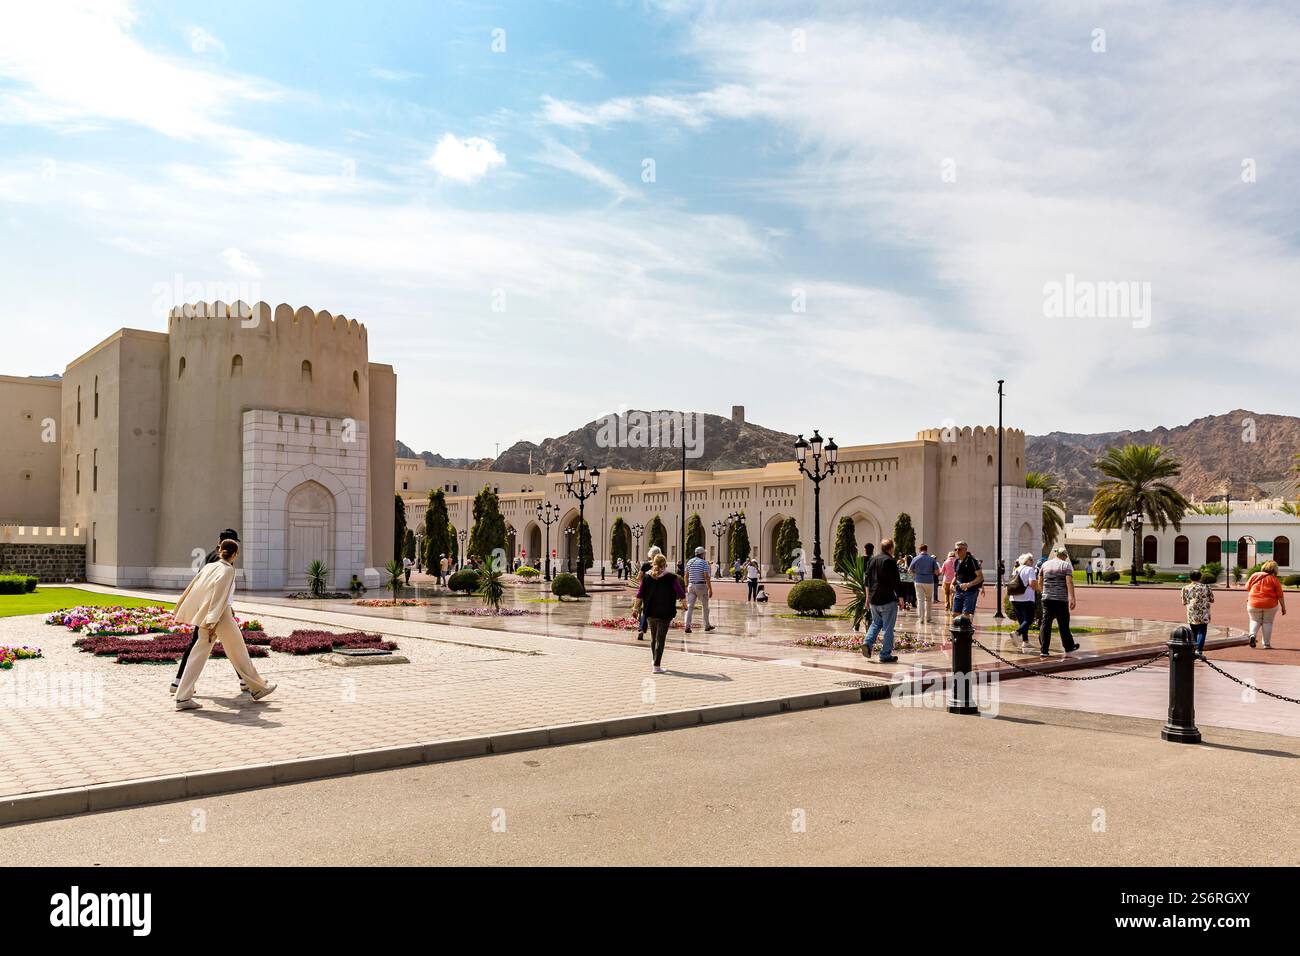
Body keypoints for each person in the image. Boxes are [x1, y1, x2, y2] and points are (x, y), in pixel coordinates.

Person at [172, 538, 276, 710]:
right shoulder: (228, 570)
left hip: (210, 614)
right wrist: (212, 621)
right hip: (220, 616)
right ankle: (257, 688)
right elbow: (219, 596)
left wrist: (201, 615)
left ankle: (182, 697)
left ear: (220, 551)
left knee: (198, 656)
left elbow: (195, 589)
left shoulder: (209, 566)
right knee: (239, 652)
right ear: (235, 554)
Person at [171, 528, 247, 697]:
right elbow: (219, 589)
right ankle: (180, 684)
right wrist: (219, 611)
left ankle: (178, 682)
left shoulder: (211, 558)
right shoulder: (224, 563)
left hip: (208, 608)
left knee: (222, 645)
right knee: (229, 646)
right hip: (212, 610)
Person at [636, 553, 687, 674]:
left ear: (653, 563)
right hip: (665, 612)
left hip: (650, 612)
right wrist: (685, 605)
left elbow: (639, 594)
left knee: (654, 638)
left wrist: (634, 608)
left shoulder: (647, 578)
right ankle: (657, 666)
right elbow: (681, 593)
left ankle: (655, 661)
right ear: (665, 564)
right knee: (661, 639)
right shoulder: (671, 577)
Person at [861, 538, 903, 662]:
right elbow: (896, 581)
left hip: (874, 599)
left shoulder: (872, 560)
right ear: (891, 548)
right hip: (887, 599)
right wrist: (900, 598)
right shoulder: (890, 561)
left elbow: (867, 581)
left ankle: (867, 643)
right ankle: (885, 655)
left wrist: (867, 598)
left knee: (876, 623)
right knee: (888, 627)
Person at [1038, 547, 1078, 654]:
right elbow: (1069, 582)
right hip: (1061, 599)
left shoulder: (1045, 564)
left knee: (1046, 623)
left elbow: (1040, 581)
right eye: (1065, 556)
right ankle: (1069, 646)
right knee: (1063, 624)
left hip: (1047, 599)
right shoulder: (1065, 565)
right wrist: (1072, 598)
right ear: (1064, 555)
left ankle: (1044, 649)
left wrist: (1043, 592)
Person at [1245, 560, 1287, 649]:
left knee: (1254, 620)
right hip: (1270, 604)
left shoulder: (1254, 575)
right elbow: (1280, 595)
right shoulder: (1274, 579)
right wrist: (1283, 607)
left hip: (1253, 603)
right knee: (1268, 622)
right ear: (1275, 569)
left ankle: (1252, 635)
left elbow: (1247, 587)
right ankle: (1266, 644)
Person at [1008, 554, 1039, 653]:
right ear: (1026, 561)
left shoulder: (1016, 569)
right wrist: (1039, 589)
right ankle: (1017, 633)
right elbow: (1032, 584)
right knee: (1029, 620)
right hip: (1027, 598)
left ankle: (1025, 642)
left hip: (1014, 598)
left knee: (1022, 621)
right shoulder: (1030, 570)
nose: (1033, 561)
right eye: (1031, 559)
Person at [1181, 569, 1214, 655]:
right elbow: (1212, 599)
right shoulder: (1206, 587)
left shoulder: (1185, 588)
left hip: (1192, 611)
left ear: (1190, 577)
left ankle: (1194, 649)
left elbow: (1184, 602)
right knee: (1202, 631)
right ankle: (1199, 650)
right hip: (1204, 612)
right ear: (1200, 577)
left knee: (1194, 631)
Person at [684, 546, 715, 633]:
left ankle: (687, 626)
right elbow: (706, 576)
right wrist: (710, 589)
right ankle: (707, 625)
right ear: (702, 554)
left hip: (691, 585)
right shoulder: (704, 563)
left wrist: (686, 585)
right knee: (705, 607)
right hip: (701, 585)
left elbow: (686, 575)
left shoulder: (689, 562)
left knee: (690, 607)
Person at [908, 544, 940, 625]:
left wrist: (916, 574)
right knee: (928, 600)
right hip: (929, 581)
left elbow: (909, 570)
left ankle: (921, 618)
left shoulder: (916, 558)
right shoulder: (931, 559)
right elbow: (937, 572)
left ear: (920, 550)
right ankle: (928, 618)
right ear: (927, 549)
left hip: (918, 581)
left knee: (920, 600)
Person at [951, 541, 984, 620]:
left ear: (965, 550)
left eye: (959, 549)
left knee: (966, 615)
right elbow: (957, 575)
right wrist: (952, 584)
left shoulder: (972, 561)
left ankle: (967, 630)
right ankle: (958, 630)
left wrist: (969, 584)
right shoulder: (956, 561)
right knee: (955, 614)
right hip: (959, 590)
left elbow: (980, 577)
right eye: (955, 549)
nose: (957, 551)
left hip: (971, 591)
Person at [635, 546, 662, 639]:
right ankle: (657, 630)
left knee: (644, 611)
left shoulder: (646, 565)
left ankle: (641, 629)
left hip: (646, 591)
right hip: (658, 592)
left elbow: (639, 577)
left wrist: (642, 583)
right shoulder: (662, 565)